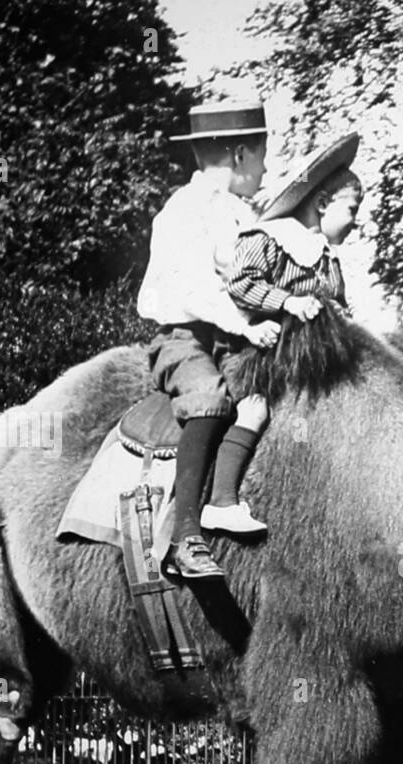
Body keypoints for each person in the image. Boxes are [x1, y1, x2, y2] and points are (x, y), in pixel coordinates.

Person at [137, 100, 281, 580]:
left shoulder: (238, 212)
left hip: (223, 337)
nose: (265, 167)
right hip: (183, 337)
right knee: (209, 398)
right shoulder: (185, 209)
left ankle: (223, 500)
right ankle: (184, 538)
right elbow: (195, 290)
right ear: (240, 154)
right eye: (262, 154)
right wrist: (247, 326)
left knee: (261, 396)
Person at [207, 133, 362, 534]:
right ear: (323, 203)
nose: (357, 220)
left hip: (311, 364)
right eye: (352, 208)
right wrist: (287, 302)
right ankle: (221, 500)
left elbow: (337, 307)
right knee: (255, 408)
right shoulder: (271, 240)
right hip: (265, 354)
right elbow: (240, 284)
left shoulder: (328, 262)